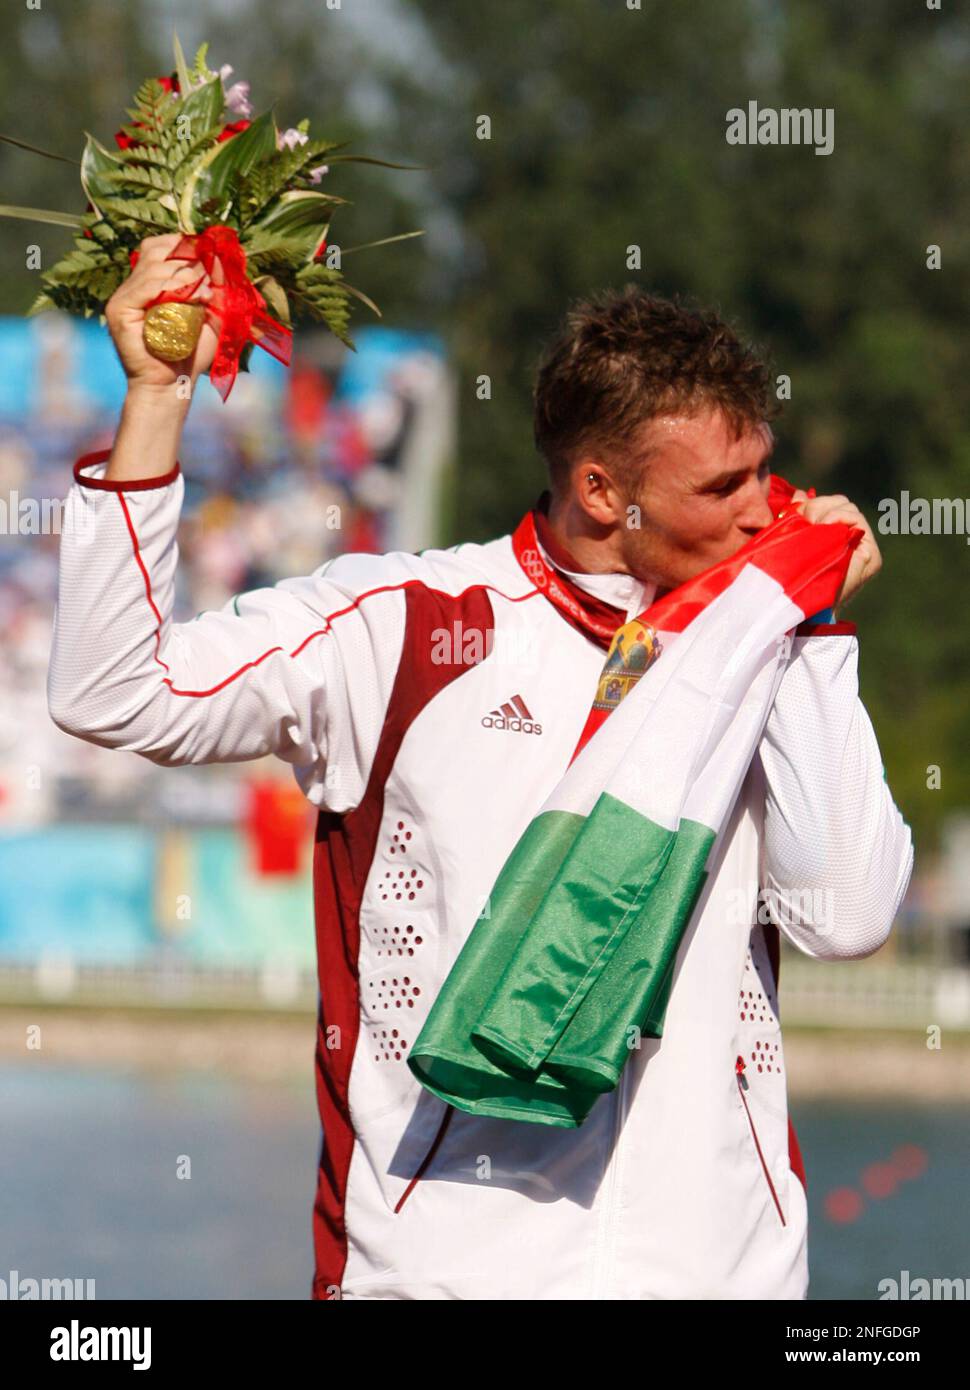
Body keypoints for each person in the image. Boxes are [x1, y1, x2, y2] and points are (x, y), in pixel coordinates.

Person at [49, 236, 913, 1300]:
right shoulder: (407, 627)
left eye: (764, 473)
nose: (761, 514)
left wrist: (806, 627)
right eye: (723, 486)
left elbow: (845, 913)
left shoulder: (765, 638)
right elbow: (111, 691)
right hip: (443, 1278)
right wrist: (154, 399)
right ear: (603, 491)